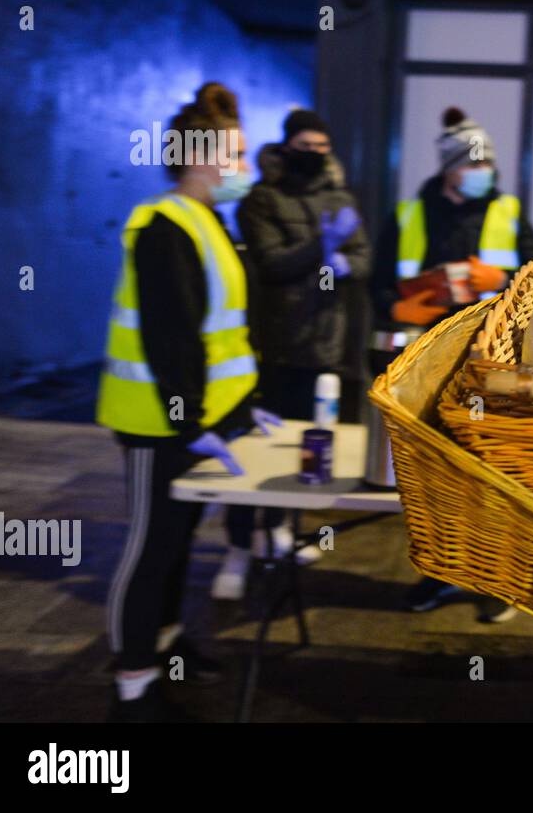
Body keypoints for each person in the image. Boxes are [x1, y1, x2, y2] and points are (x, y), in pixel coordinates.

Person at [98, 82, 282, 722]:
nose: (245, 164)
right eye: (237, 152)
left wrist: (239, 410)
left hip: (201, 422)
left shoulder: (209, 223)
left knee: (176, 544)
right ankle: (132, 679)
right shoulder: (164, 227)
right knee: (150, 547)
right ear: (203, 158)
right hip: (159, 425)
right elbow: (169, 337)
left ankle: (171, 650)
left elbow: (219, 335)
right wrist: (189, 422)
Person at [372, 106, 533, 621]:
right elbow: (378, 283)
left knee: (492, 474)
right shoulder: (408, 216)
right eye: (473, 164)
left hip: (490, 364)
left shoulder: (509, 213)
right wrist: (394, 306)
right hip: (425, 362)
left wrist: (501, 278)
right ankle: (441, 574)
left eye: (487, 163)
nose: (483, 172)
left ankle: (499, 581)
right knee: (436, 478)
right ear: (449, 168)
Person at [210, 110, 371, 600]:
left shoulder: (340, 196)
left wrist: (345, 261)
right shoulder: (263, 198)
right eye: (306, 145)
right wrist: (320, 246)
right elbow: (272, 264)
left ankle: (278, 531)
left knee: (305, 448)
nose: (316, 154)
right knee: (254, 449)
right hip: (275, 342)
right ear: (288, 146)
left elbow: (364, 256)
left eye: (324, 146)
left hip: (327, 342)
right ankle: (239, 546)